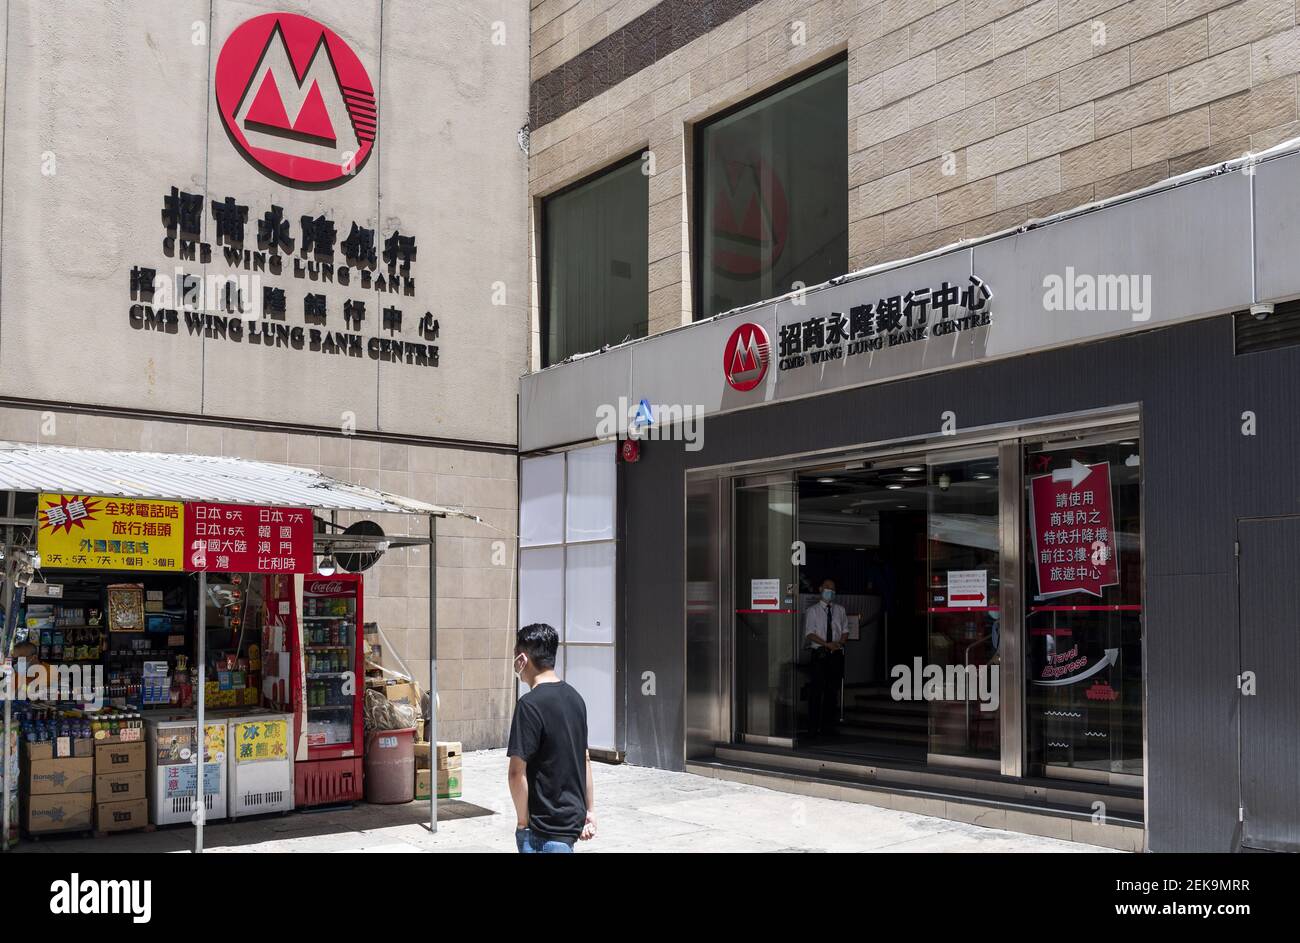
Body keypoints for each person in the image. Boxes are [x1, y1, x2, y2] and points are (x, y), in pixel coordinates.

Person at [507, 622, 596, 853]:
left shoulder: (528, 705)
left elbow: (517, 773)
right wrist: (590, 811)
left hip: (541, 831)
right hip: (569, 827)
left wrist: (522, 823)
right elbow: (585, 759)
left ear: (523, 660)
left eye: (516, 656)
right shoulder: (576, 699)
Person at [804, 578, 848, 737]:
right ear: (821, 589)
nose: (831, 591)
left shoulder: (840, 610)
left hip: (835, 654)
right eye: (828, 588)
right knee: (816, 691)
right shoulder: (813, 611)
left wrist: (839, 643)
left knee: (832, 691)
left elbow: (845, 630)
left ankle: (828, 726)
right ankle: (813, 726)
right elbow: (810, 633)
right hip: (820, 654)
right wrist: (826, 644)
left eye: (833, 589)